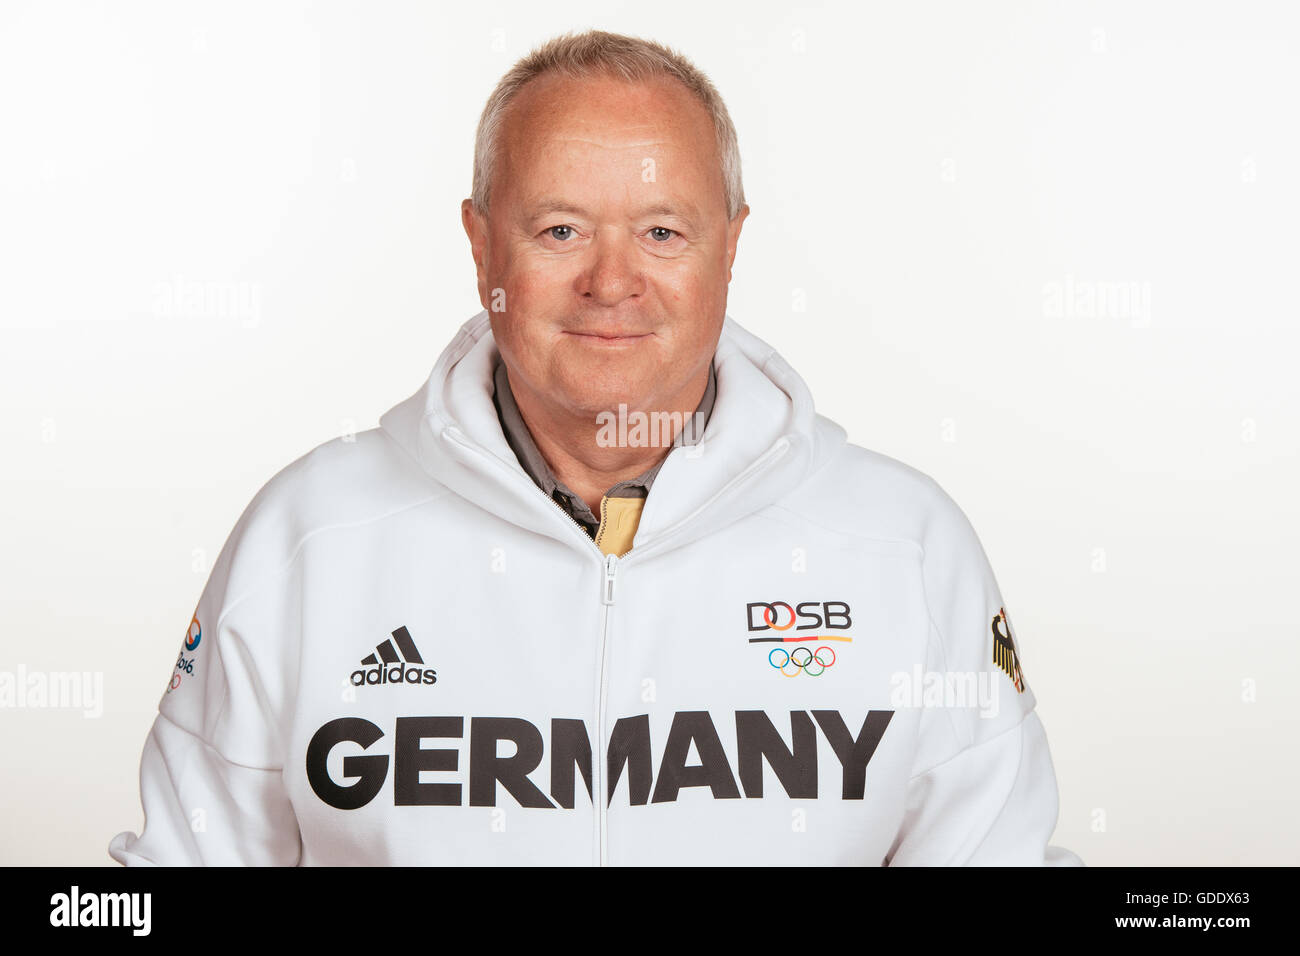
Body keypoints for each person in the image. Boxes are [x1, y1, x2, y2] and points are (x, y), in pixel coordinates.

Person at [109, 28, 1082, 866]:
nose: (612, 282)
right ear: (481, 244)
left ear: (731, 245)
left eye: (661, 231)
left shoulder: (904, 550)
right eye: (560, 229)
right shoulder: (310, 538)